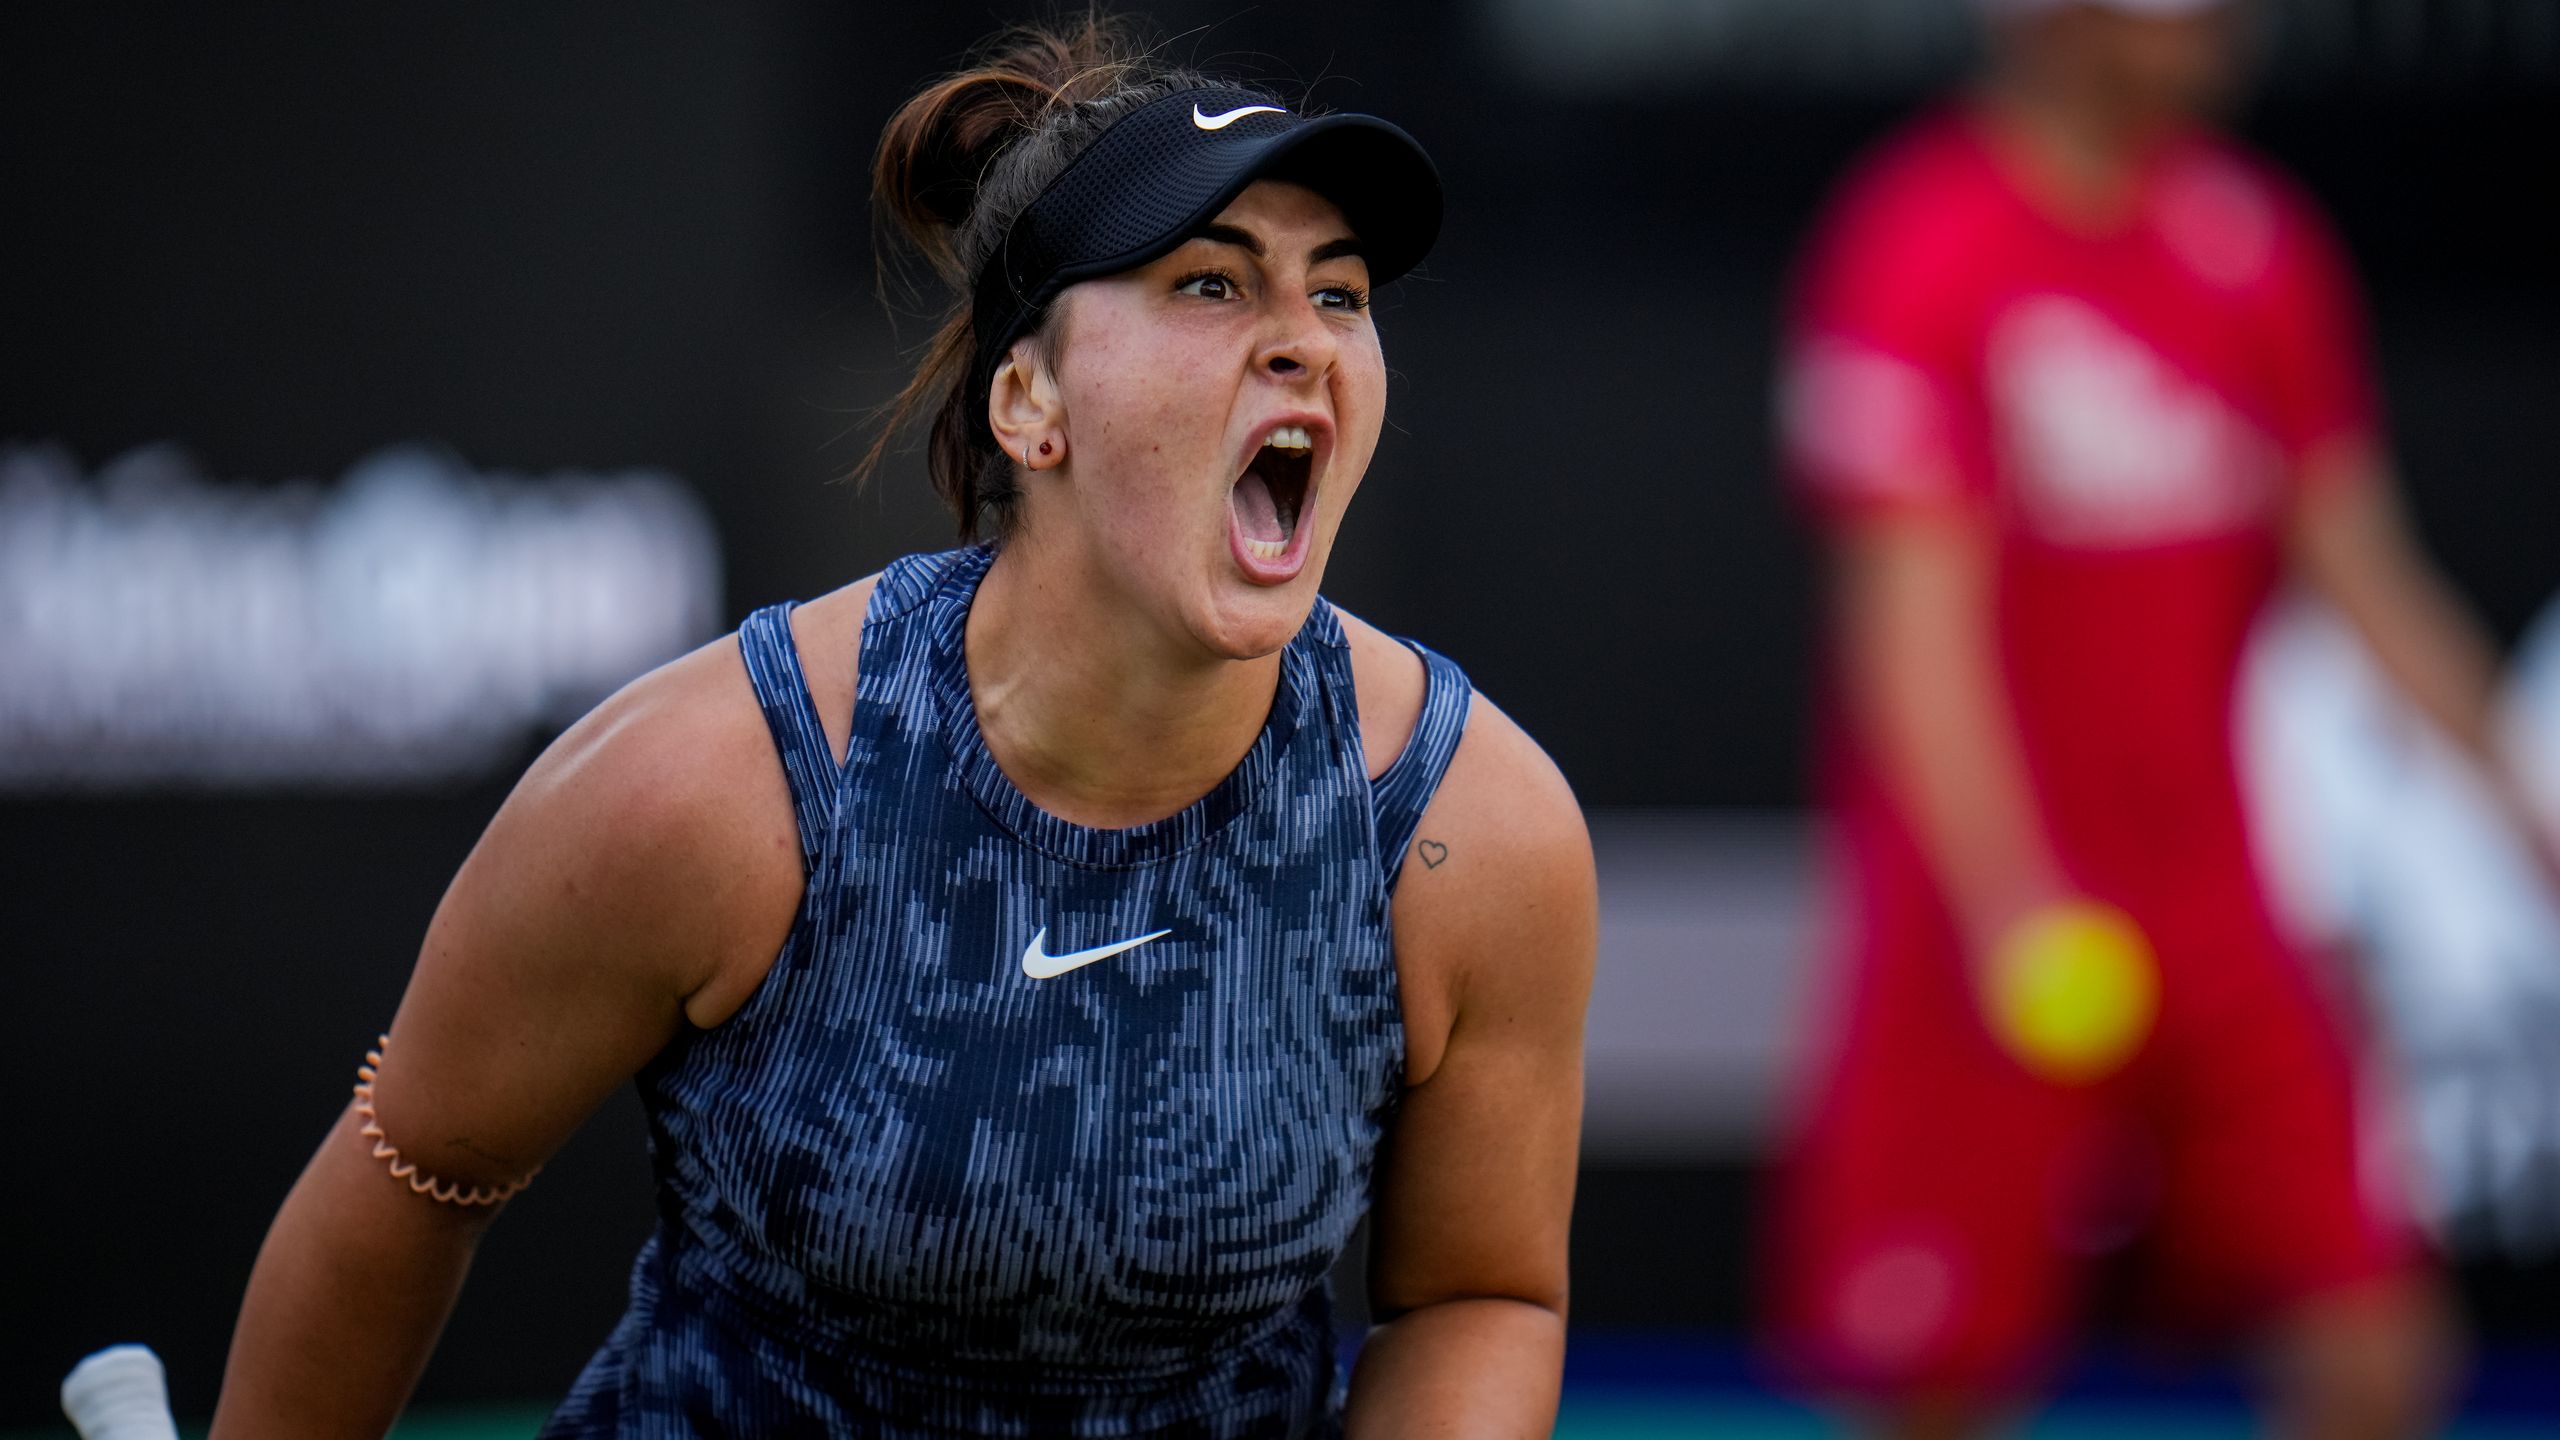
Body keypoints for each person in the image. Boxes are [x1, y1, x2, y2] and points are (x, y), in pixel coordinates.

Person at [209, 19, 1595, 1437]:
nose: (1304, 340)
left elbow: (1477, 1294)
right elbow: (416, 1167)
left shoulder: (1467, 831)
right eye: (1211, 283)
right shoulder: (707, 786)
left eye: (1341, 294)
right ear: (1029, 401)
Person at [1766, 0, 2558, 1434]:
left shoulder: (2258, 247)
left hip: (2218, 906)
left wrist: (2526, 808)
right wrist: (2012, 901)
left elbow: (2364, 572)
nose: (2218, 18)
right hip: (1985, 918)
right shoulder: (1921, 238)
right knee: (1935, 1380)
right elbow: (1912, 633)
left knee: (2378, 1343)